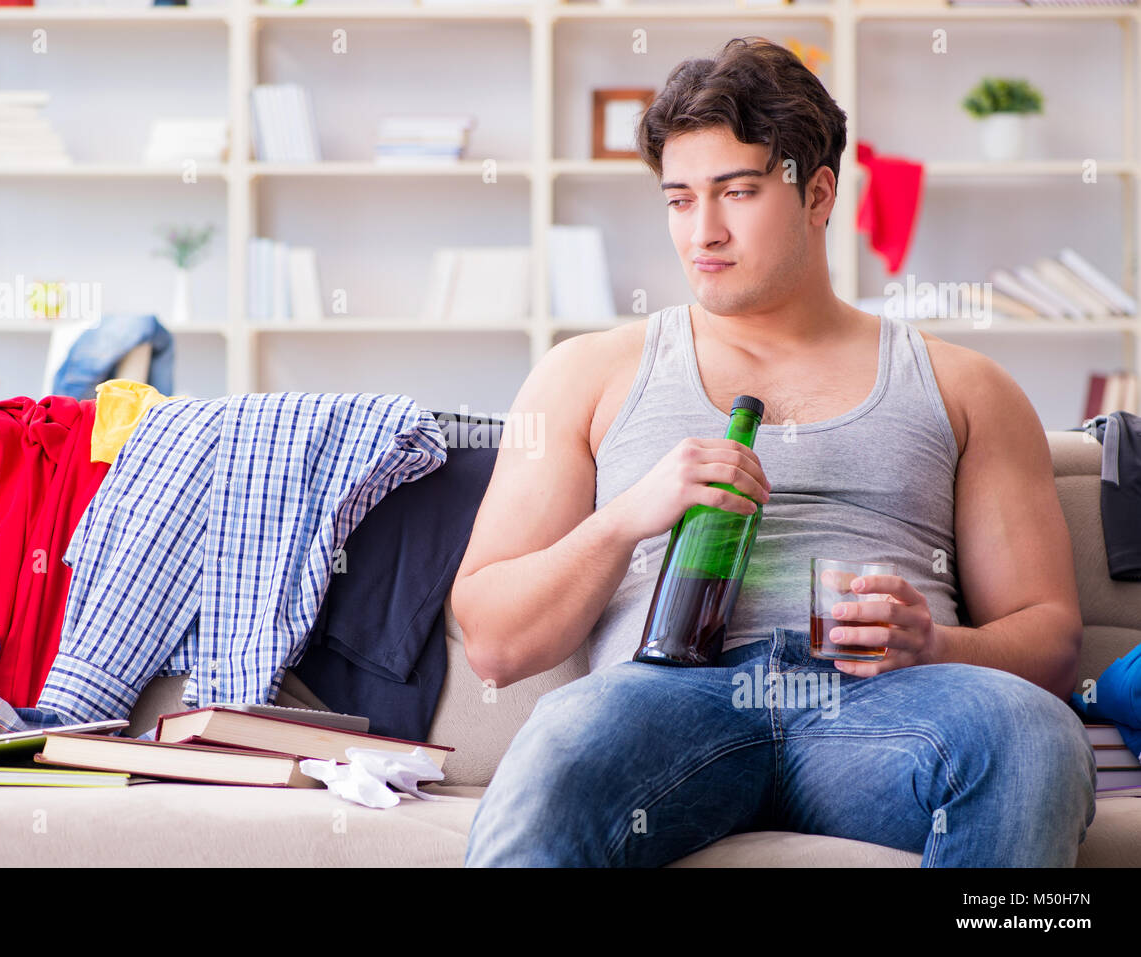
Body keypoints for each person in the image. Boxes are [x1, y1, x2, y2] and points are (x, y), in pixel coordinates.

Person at [453, 36, 1095, 867]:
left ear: (816, 192)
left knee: (1032, 735)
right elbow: (495, 644)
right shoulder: (586, 373)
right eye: (680, 199)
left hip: (890, 706)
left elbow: (1048, 638)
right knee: (557, 747)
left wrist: (937, 643)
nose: (703, 231)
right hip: (666, 701)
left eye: (738, 192)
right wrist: (626, 520)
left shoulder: (966, 385)